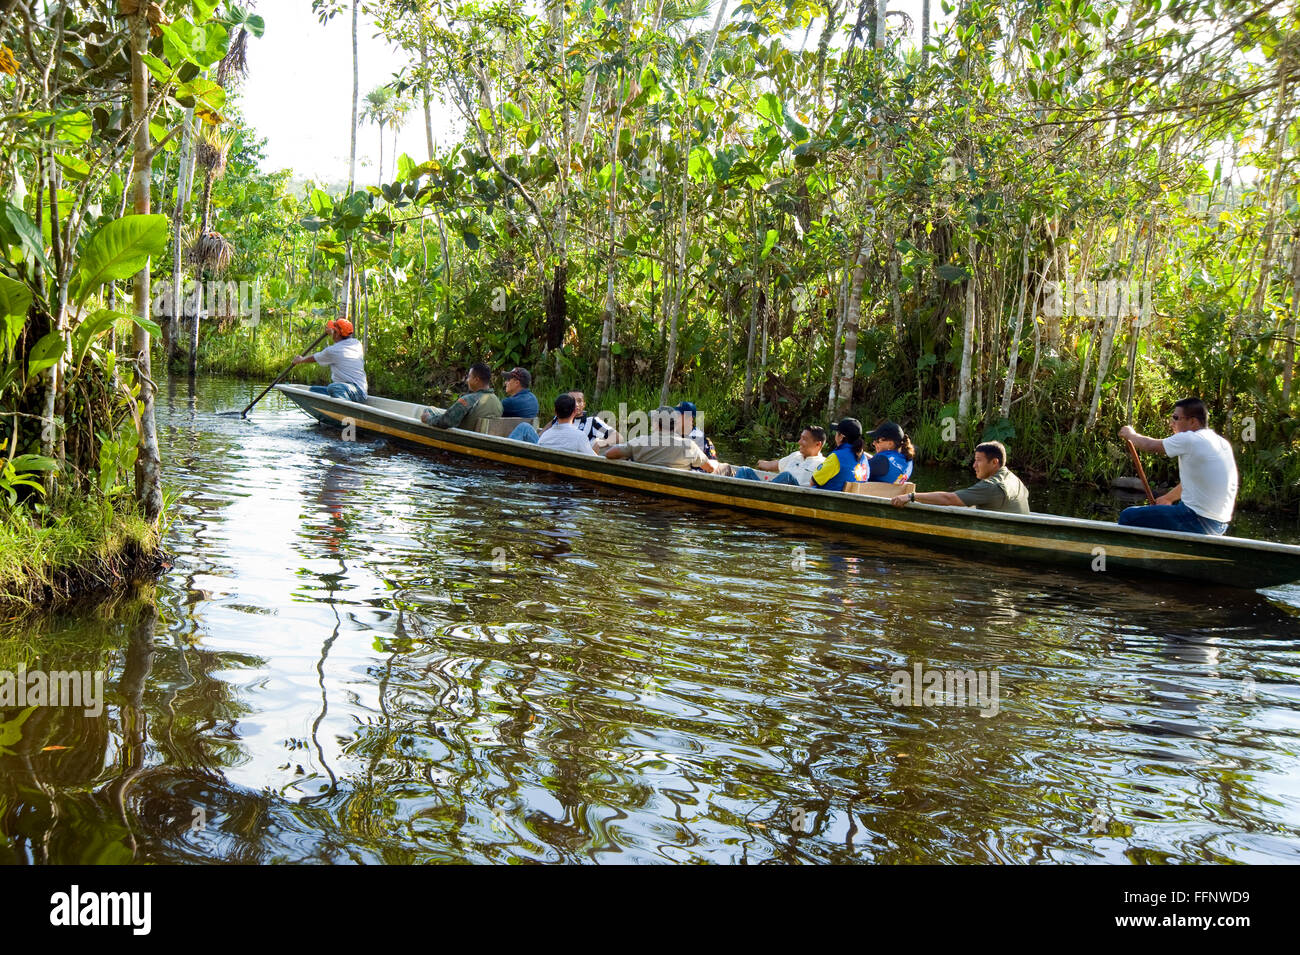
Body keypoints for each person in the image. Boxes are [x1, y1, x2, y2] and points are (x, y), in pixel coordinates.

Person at [1117, 398, 1237, 535]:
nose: (1171, 423)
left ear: (1193, 422)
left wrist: (1130, 434)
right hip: (1219, 525)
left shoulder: (1190, 438)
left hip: (1196, 519)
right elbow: (1196, 481)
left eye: (1176, 418)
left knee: (1128, 516)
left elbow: (1149, 446)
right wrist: (1168, 498)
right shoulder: (1220, 442)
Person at [890, 440, 1029, 514]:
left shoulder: (991, 486)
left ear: (994, 462)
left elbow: (949, 499)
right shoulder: (1014, 479)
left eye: (978, 460)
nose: (974, 465)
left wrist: (910, 497)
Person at [604, 407, 720, 472]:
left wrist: (629, 455)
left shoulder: (639, 441)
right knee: (724, 468)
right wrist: (715, 464)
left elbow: (609, 453)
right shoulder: (688, 445)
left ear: (655, 423)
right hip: (678, 489)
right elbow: (709, 469)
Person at [292, 318, 367, 402]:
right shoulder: (356, 343)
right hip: (354, 390)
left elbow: (315, 358)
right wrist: (334, 332)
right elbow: (340, 342)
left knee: (333, 387)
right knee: (313, 390)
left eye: (334, 331)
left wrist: (301, 360)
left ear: (337, 334)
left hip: (355, 391)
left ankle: (346, 411)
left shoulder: (333, 351)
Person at [732, 427, 827, 486]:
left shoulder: (824, 464)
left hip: (796, 494)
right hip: (772, 488)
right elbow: (776, 465)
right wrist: (761, 463)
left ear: (818, 444)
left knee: (787, 476)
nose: (799, 442)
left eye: (804, 439)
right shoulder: (796, 455)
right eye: (800, 438)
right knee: (744, 470)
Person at [420, 362, 503, 430]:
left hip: (464, 438)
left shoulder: (469, 400)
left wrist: (428, 419)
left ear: (476, 380)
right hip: (480, 437)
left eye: (469, 377)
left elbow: (446, 421)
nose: (467, 381)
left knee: (429, 410)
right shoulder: (498, 402)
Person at [509, 394, 596, 455]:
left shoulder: (545, 436)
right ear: (575, 412)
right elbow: (593, 460)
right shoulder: (580, 436)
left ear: (555, 412)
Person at [810, 418, 869, 492]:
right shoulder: (864, 459)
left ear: (841, 437)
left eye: (836, 433)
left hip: (827, 501)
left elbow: (813, 481)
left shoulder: (837, 457)